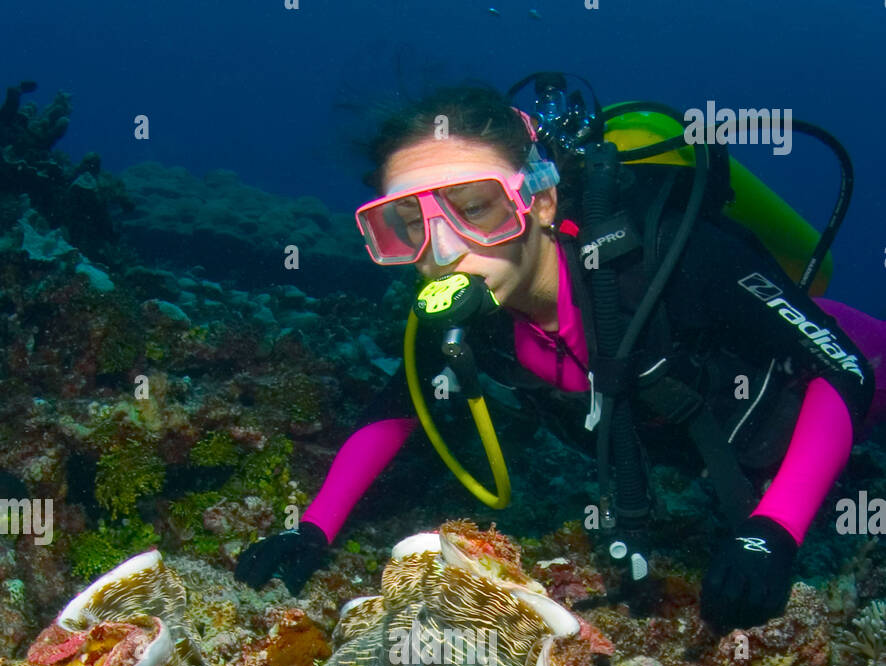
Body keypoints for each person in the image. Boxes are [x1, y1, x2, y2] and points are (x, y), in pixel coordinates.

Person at [235, 84, 886, 632]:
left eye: (473, 209)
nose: (442, 251)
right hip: (746, 454)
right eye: (407, 224)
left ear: (538, 201)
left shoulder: (662, 256)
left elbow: (846, 367)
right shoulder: (474, 313)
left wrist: (773, 530)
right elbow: (399, 404)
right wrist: (312, 530)